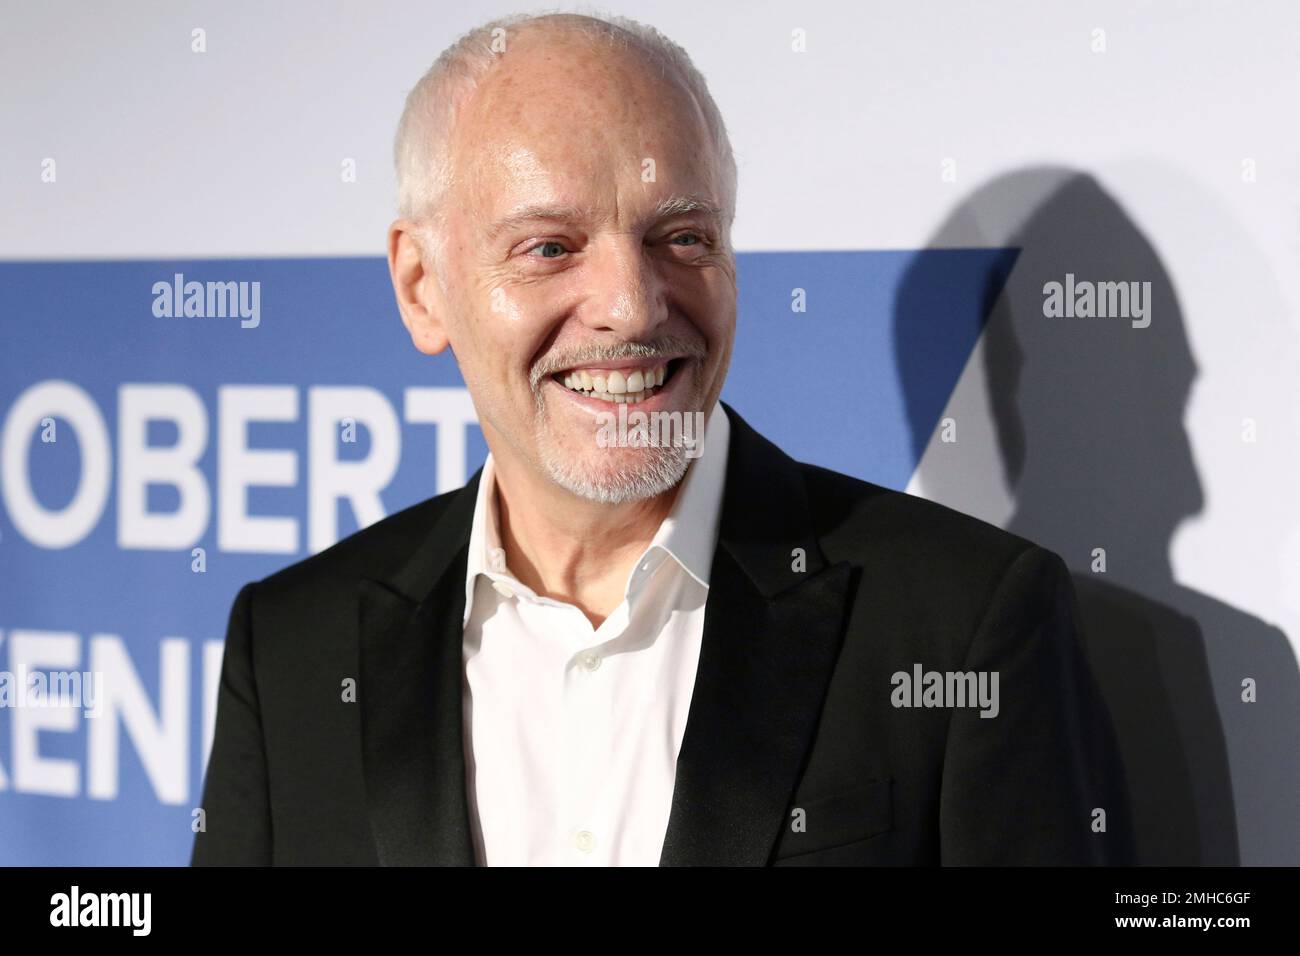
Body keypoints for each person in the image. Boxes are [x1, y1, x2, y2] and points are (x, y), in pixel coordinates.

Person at [191, 11, 1132, 866]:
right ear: (421, 286)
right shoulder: (293, 652)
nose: (631, 306)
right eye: (550, 247)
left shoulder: (964, 626)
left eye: (681, 237)